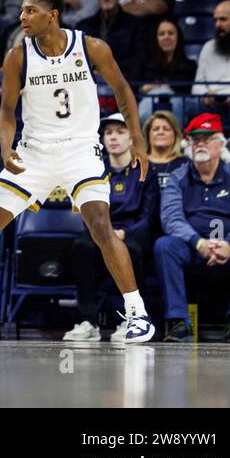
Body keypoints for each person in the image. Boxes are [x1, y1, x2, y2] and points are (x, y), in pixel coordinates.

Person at [0, 0, 156, 343]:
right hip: (33, 153)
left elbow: (123, 91)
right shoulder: (18, 56)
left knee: (100, 226)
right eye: (21, 11)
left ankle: (137, 313)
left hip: (80, 151)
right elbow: (6, 112)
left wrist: (138, 138)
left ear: (53, 15)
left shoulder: (91, 47)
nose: (22, 17)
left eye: (30, 11)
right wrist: (4, 147)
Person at [154, 113, 230, 342]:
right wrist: (198, 242)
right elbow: (171, 219)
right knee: (165, 246)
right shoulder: (177, 177)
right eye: (196, 139)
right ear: (189, 145)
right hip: (192, 247)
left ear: (221, 144)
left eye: (207, 138)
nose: (201, 143)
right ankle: (177, 322)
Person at [63, 114, 158, 342]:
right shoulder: (94, 170)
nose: (113, 137)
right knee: (80, 247)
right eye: (109, 133)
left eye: (120, 132)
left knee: (131, 249)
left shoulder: (146, 169)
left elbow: (149, 215)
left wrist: (125, 233)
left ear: (132, 138)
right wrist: (104, 233)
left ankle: (131, 319)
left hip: (133, 233)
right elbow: (85, 210)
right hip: (100, 232)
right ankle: (88, 321)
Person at [77, 0, 144, 76]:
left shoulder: (136, 25)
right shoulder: (83, 27)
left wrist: (107, 71)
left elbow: (139, 61)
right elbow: (76, 60)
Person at [136, 18, 197, 96]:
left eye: (171, 33)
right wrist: (143, 89)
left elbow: (191, 92)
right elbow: (133, 89)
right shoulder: (144, 65)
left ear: (178, 38)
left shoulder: (190, 66)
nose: (166, 37)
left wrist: (170, 87)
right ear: (156, 39)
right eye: (161, 34)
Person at [145, 111, 185, 181]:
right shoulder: (137, 164)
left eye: (166, 129)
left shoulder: (185, 164)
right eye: (156, 129)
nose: (160, 132)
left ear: (175, 135)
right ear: (148, 135)